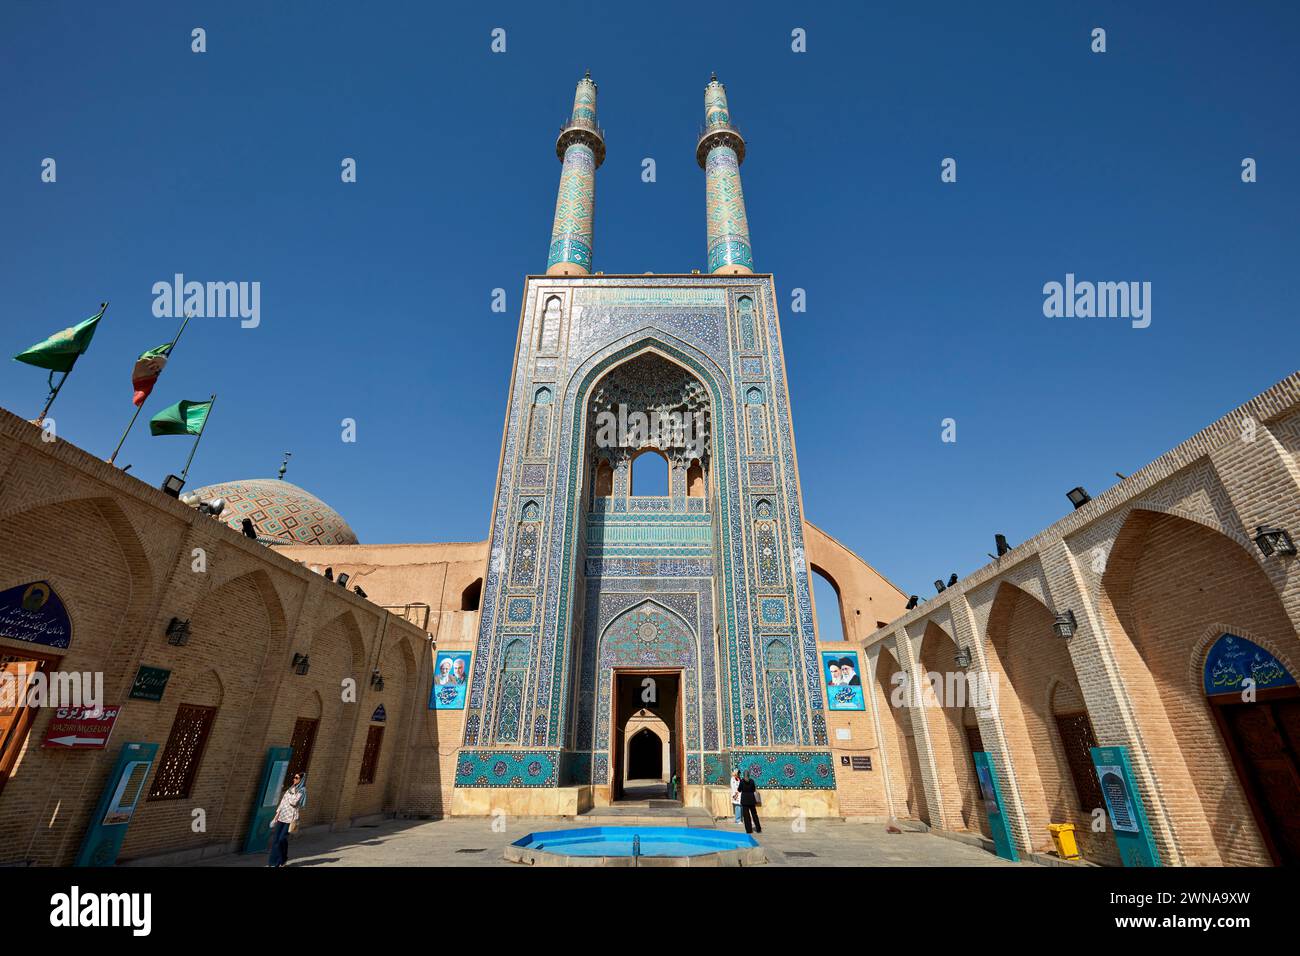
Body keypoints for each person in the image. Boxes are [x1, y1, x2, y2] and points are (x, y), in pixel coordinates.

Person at [267, 772, 307, 868]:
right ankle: (275, 862)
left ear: (301, 780)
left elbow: (294, 802)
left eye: (296, 778)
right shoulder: (290, 789)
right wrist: (276, 816)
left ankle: (281, 860)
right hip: (282, 817)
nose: (294, 779)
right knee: (276, 840)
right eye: (294, 777)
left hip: (291, 819)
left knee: (281, 839)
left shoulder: (302, 790)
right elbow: (282, 803)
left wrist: (291, 793)